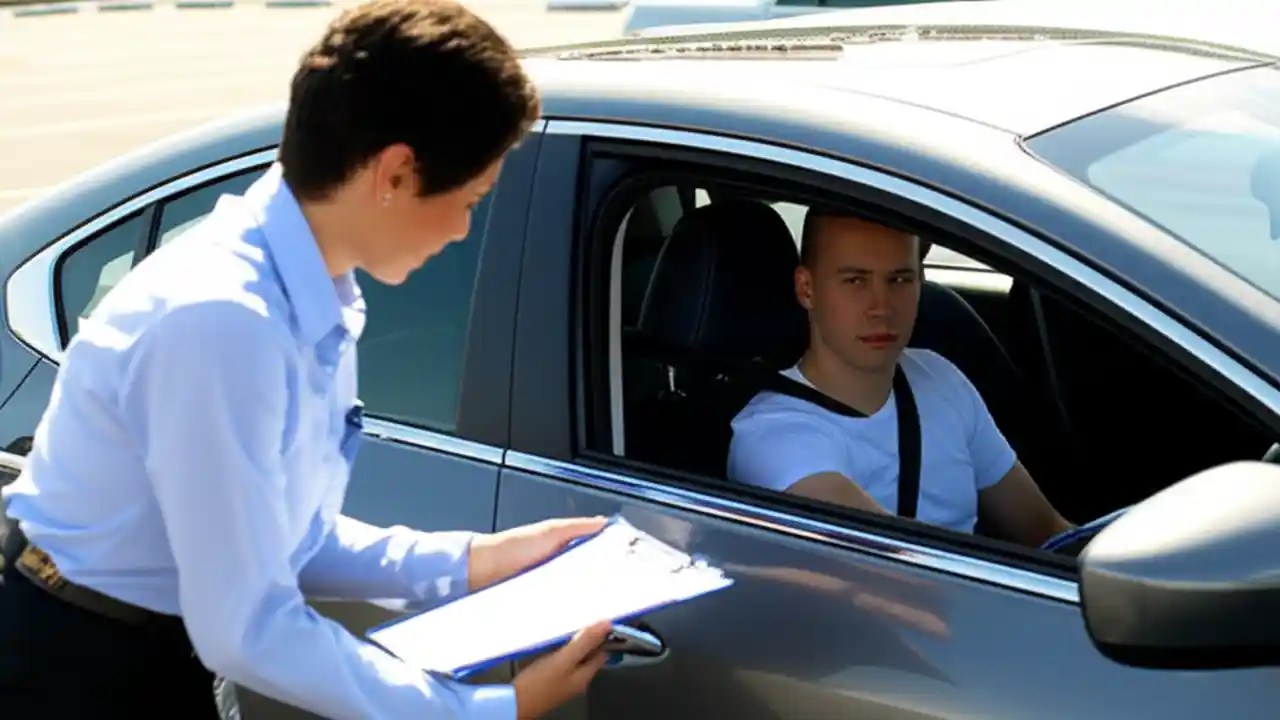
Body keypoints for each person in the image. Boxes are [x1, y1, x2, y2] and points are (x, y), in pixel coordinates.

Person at [0, 1, 612, 717]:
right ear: (395, 173)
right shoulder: (225, 319)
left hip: (135, 650)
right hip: (71, 671)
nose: (463, 230)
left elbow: (290, 541)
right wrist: (481, 710)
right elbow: (248, 626)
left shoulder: (311, 292)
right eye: (471, 198)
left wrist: (481, 560)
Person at [727, 209, 1073, 547]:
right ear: (807, 289)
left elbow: (1047, 529)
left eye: (900, 280)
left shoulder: (940, 378)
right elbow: (902, 574)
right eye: (855, 281)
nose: (882, 307)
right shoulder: (773, 436)